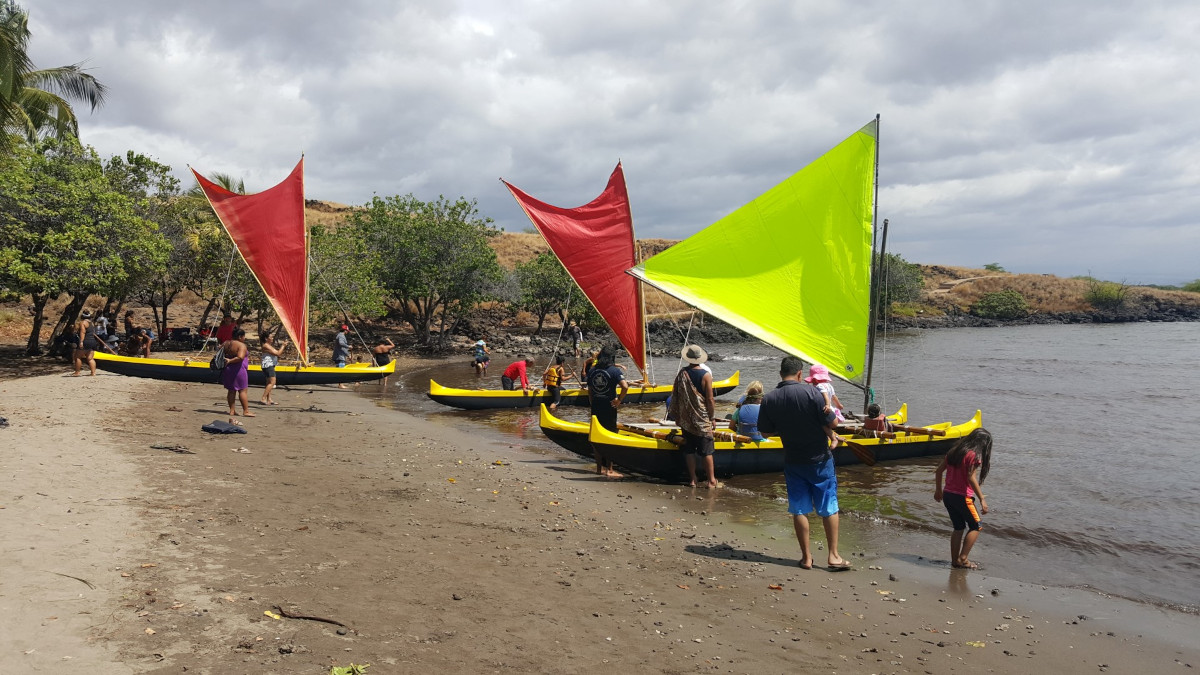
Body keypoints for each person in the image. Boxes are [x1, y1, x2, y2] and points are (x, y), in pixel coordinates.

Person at [757, 356, 850, 571]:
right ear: (800, 374)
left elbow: (765, 431)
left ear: (781, 374)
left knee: (799, 509)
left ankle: (806, 557)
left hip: (793, 459)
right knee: (829, 507)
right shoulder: (813, 393)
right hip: (819, 459)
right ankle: (833, 556)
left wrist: (785, 428)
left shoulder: (770, 398)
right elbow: (833, 422)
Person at [934, 428, 993, 570]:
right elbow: (971, 478)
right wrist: (982, 499)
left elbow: (938, 471)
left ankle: (955, 561)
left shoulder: (954, 452)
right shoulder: (973, 455)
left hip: (948, 495)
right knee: (976, 526)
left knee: (958, 527)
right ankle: (963, 558)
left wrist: (938, 490)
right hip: (963, 497)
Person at [668, 344, 718, 487]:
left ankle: (693, 479)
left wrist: (677, 415)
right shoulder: (706, 375)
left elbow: (675, 395)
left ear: (688, 358)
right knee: (707, 451)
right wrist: (712, 417)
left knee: (689, 449)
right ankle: (711, 480)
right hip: (702, 418)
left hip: (686, 418)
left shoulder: (682, 374)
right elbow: (709, 399)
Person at [586, 345, 629, 477]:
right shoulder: (614, 371)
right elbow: (625, 386)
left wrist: (592, 403)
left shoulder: (593, 370)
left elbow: (590, 391)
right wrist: (619, 400)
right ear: (612, 358)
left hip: (596, 405)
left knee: (596, 436)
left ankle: (599, 468)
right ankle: (609, 469)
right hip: (609, 406)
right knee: (609, 435)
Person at [806, 363, 845, 449]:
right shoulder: (829, 386)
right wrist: (839, 405)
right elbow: (834, 397)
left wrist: (827, 404)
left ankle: (833, 439)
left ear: (815, 379)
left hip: (825, 410)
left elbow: (825, 396)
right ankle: (830, 436)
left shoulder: (819, 386)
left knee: (821, 424)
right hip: (832, 410)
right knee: (824, 426)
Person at [221, 327, 254, 420]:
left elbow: (219, 350)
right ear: (240, 336)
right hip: (238, 369)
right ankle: (246, 411)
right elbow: (240, 357)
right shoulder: (241, 345)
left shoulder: (226, 343)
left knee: (231, 390)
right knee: (242, 390)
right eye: (244, 336)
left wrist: (228, 359)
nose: (244, 338)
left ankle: (232, 410)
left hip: (228, 369)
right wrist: (231, 360)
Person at [260, 329, 288, 405]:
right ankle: (263, 398)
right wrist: (283, 345)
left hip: (269, 365)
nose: (272, 338)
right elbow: (278, 353)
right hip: (268, 366)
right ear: (266, 338)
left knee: (269, 382)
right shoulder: (266, 345)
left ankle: (269, 399)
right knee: (272, 382)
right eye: (271, 337)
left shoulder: (268, 345)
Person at [73, 310, 99, 376]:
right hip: (92, 341)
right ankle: (93, 373)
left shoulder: (83, 323)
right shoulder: (92, 323)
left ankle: (77, 372)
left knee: (77, 357)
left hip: (86, 341)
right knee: (90, 358)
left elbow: (83, 332)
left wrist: (81, 341)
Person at [332, 324, 352, 388]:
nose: (347, 332)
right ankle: (340, 384)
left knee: (340, 370)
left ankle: (340, 383)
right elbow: (341, 344)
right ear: (345, 330)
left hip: (340, 355)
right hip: (340, 356)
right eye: (347, 331)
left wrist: (347, 355)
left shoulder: (340, 335)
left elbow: (342, 347)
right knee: (341, 370)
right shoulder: (341, 336)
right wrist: (348, 346)